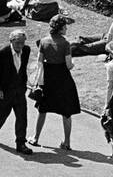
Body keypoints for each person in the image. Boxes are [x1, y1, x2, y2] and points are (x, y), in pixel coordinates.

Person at [30, 15, 80, 150]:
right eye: (65, 26)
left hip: (48, 77)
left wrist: (39, 80)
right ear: (61, 28)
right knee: (66, 112)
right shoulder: (65, 43)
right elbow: (69, 65)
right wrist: (73, 63)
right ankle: (67, 142)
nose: (67, 28)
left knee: (42, 109)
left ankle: (35, 137)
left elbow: (39, 62)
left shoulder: (44, 42)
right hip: (62, 77)